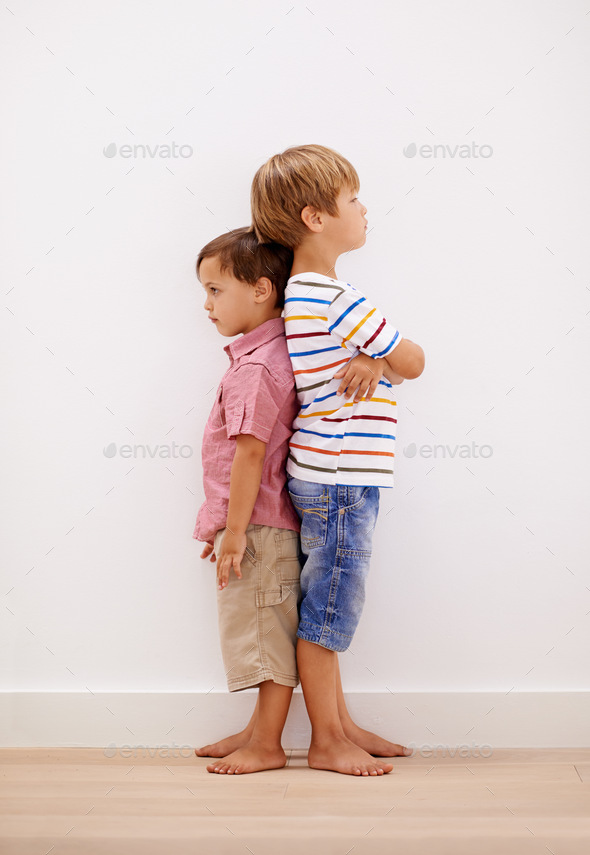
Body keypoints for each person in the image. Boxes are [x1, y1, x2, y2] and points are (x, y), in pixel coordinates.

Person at [250, 143, 425, 776]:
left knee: (329, 601)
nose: (364, 209)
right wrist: (383, 361)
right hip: (341, 477)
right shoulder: (335, 297)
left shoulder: (306, 293)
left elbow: (390, 367)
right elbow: (416, 361)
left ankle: (343, 724)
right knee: (329, 609)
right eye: (353, 200)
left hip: (326, 472)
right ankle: (326, 740)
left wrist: (373, 362)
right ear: (316, 217)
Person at [192, 226, 303, 775]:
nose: (206, 304)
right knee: (257, 630)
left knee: (264, 635)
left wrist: (234, 532)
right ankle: (257, 732)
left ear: (261, 290)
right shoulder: (261, 356)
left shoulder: (256, 368)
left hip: (257, 528)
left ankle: (268, 745)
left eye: (216, 290)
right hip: (254, 526)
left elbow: (250, 457)